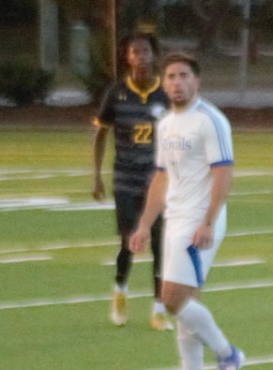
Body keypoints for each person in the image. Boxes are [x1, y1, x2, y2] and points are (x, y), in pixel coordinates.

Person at [129, 52, 243, 370]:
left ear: (197, 81)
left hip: (198, 220)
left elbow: (223, 173)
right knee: (185, 300)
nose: (177, 83)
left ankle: (227, 354)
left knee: (172, 299)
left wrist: (208, 221)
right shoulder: (165, 124)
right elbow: (162, 177)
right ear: (163, 83)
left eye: (184, 76)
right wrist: (145, 224)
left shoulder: (210, 120)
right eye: (171, 77)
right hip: (175, 219)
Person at [90, 32, 170, 330]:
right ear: (128, 57)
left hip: (158, 182)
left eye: (146, 51)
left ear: (154, 55)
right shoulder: (116, 93)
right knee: (130, 240)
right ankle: (120, 289)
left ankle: (159, 308)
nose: (141, 57)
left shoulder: (166, 93)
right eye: (135, 52)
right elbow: (100, 134)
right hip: (125, 179)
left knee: (161, 244)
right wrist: (97, 176)